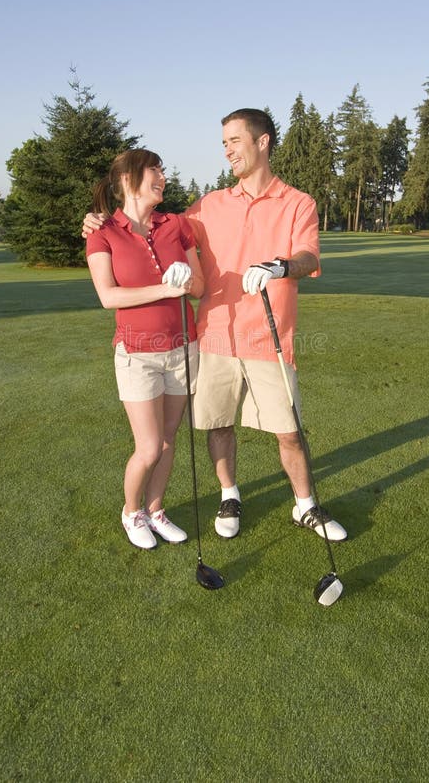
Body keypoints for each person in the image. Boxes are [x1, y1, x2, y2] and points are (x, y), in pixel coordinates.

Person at [83, 111, 347, 543]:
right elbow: (149, 224)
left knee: (289, 431)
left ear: (262, 142)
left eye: (234, 141)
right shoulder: (207, 206)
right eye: (224, 143)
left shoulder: (298, 202)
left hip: (268, 337)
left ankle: (305, 505)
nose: (227, 150)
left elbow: (309, 257)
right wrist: (97, 220)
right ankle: (229, 496)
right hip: (214, 337)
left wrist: (280, 266)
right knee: (219, 425)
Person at [86, 148, 204, 550]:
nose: (162, 176)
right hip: (137, 354)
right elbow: (108, 296)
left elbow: (200, 286)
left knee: (168, 440)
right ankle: (132, 511)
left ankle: (155, 511)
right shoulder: (102, 233)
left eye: (162, 169)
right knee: (149, 446)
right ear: (127, 179)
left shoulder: (176, 225)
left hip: (183, 348)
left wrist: (186, 279)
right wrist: (166, 289)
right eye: (154, 169)